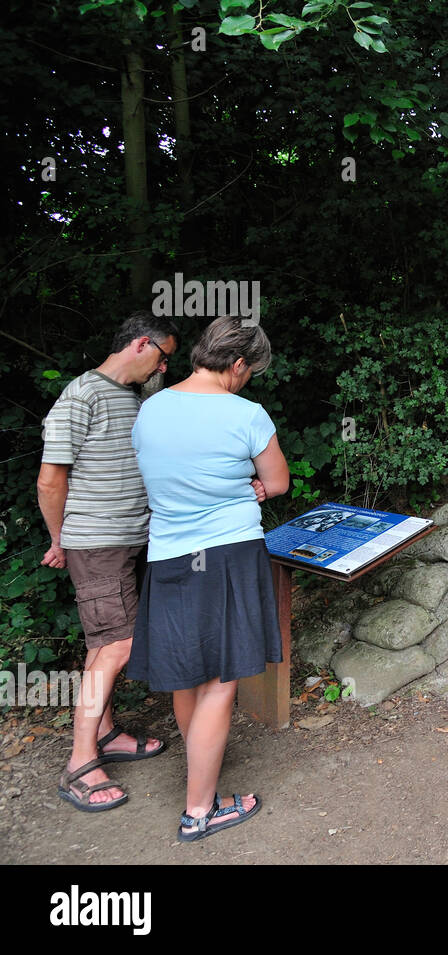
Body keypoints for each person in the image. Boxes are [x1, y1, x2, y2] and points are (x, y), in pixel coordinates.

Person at [127, 316, 289, 842]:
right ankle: (199, 811)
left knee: (187, 676)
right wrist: (252, 490)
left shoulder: (150, 408)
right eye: (250, 371)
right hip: (227, 554)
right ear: (237, 365)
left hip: (169, 554)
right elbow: (278, 482)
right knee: (223, 679)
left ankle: (201, 790)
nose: (248, 381)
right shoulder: (245, 413)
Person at [39, 313, 179, 812]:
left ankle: (104, 732)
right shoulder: (82, 395)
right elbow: (51, 479)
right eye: (162, 356)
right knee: (119, 645)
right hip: (96, 543)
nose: (163, 367)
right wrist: (60, 539)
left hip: (128, 540)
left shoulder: (132, 398)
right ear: (141, 343)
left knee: (104, 643)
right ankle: (79, 764)